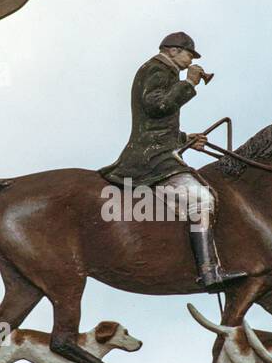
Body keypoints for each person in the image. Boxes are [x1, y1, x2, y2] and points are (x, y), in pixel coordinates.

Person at [100, 31, 246, 292]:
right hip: (150, 159)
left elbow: (155, 125)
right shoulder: (158, 70)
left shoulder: (162, 72)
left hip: (157, 149)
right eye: (189, 54)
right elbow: (157, 107)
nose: (191, 61)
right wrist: (189, 84)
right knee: (201, 198)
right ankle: (209, 273)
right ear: (173, 50)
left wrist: (185, 139)